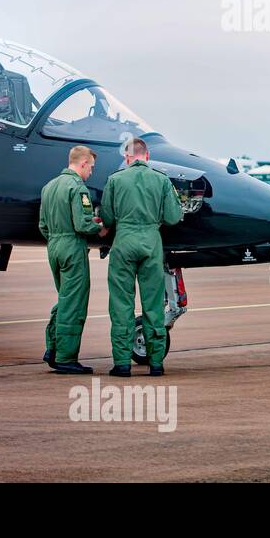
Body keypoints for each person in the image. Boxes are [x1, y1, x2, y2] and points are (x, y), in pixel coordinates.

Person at [98, 138, 183, 377]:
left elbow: (107, 217)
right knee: (153, 304)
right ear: (147, 157)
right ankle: (156, 363)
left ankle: (122, 364)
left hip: (123, 243)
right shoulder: (162, 179)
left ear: (127, 158)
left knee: (121, 304)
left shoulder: (115, 180)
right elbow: (174, 217)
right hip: (151, 243)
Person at [39, 145, 104, 374]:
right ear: (83, 163)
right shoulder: (78, 188)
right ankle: (66, 358)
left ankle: (53, 349)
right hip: (72, 247)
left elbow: (42, 225)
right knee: (74, 303)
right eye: (91, 168)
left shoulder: (49, 187)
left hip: (54, 245)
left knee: (65, 298)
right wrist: (100, 227)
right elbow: (82, 224)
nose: (91, 173)